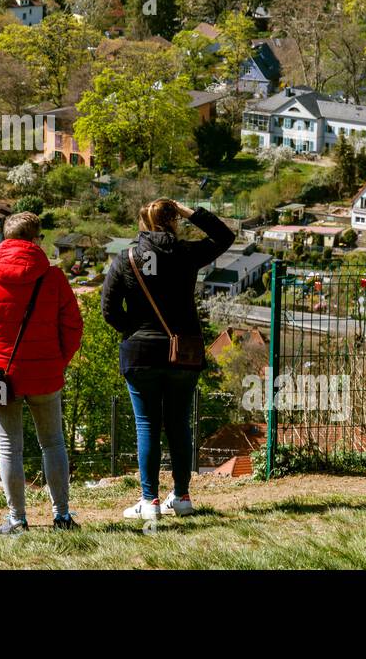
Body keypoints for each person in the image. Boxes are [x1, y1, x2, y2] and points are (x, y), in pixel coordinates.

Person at [101, 198, 234, 521]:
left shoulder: (126, 258)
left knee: (147, 425)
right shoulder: (186, 254)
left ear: (142, 224)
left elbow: (109, 310)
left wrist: (134, 331)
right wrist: (191, 212)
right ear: (174, 221)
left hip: (141, 353)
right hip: (183, 353)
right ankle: (183, 497)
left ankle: (150, 502)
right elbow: (225, 237)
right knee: (178, 424)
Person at [0, 211, 84, 534]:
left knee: (9, 447)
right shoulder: (53, 277)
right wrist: (59, 361)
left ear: (4, 239)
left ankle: (17, 519)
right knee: (53, 443)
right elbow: (73, 326)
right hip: (45, 375)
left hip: (2, 377)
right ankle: (62, 516)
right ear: (35, 239)